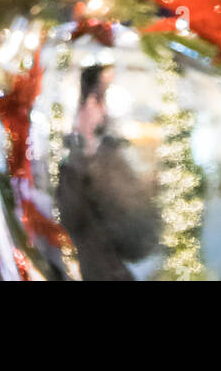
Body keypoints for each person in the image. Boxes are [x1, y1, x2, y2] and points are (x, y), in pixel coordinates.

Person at [57, 64, 160, 280]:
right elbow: (71, 220)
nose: (100, 109)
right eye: (95, 98)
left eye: (102, 99)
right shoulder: (74, 165)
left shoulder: (110, 156)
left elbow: (140, 237)